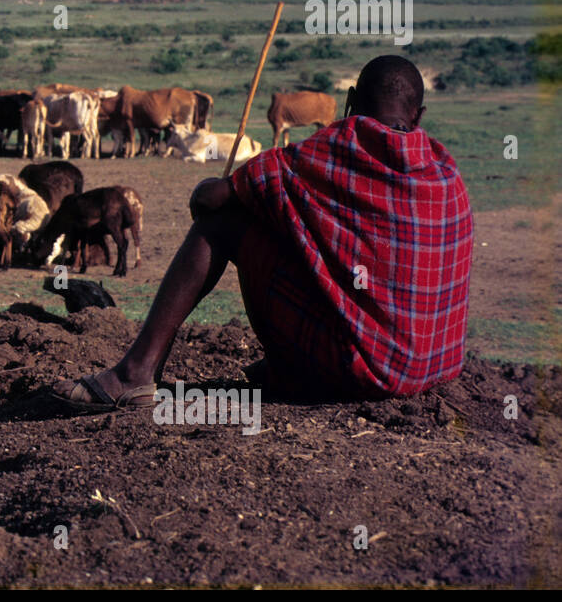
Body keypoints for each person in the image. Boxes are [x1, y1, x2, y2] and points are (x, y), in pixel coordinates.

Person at [54, 55, 473, 407]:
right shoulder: (445, 171)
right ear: (419, 116)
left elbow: (213, 199)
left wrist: (210, 189)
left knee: (225, 225)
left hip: (364, 373)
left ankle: (135, 372)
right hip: (431, 368)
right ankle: (289, 369)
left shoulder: (338, 146)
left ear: (348, 102)